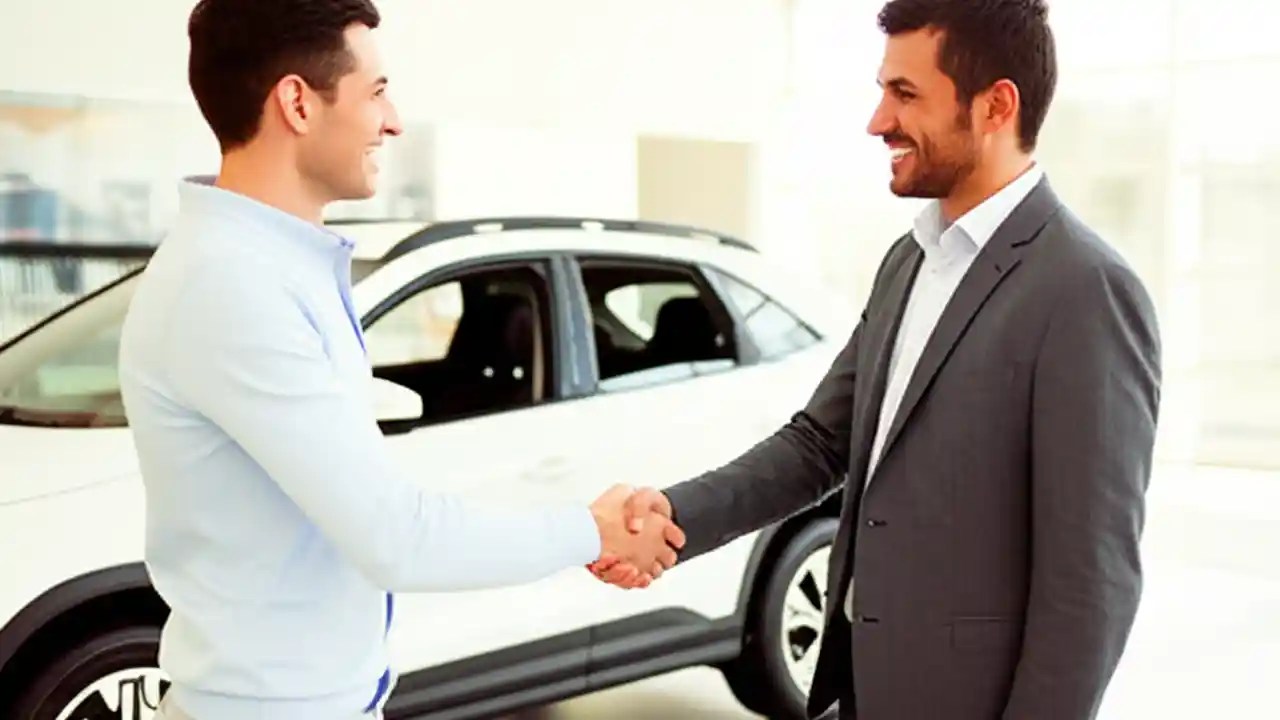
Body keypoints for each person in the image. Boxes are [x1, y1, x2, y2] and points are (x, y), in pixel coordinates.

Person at [591, 1, 1162, 718]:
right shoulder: (909, 261)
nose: (877, 121)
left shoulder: (1085, 289)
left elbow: (1091, 584)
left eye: (906, 94)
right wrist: (677, 516)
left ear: (996, 106)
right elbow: (819, 443)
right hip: (861, 688)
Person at [117, 2, 682, 719]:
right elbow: (396, 537)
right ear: (297, 103)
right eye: (377, 91)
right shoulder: (228, 285)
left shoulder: (267, 267)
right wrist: (591, 529)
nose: (393, 122)